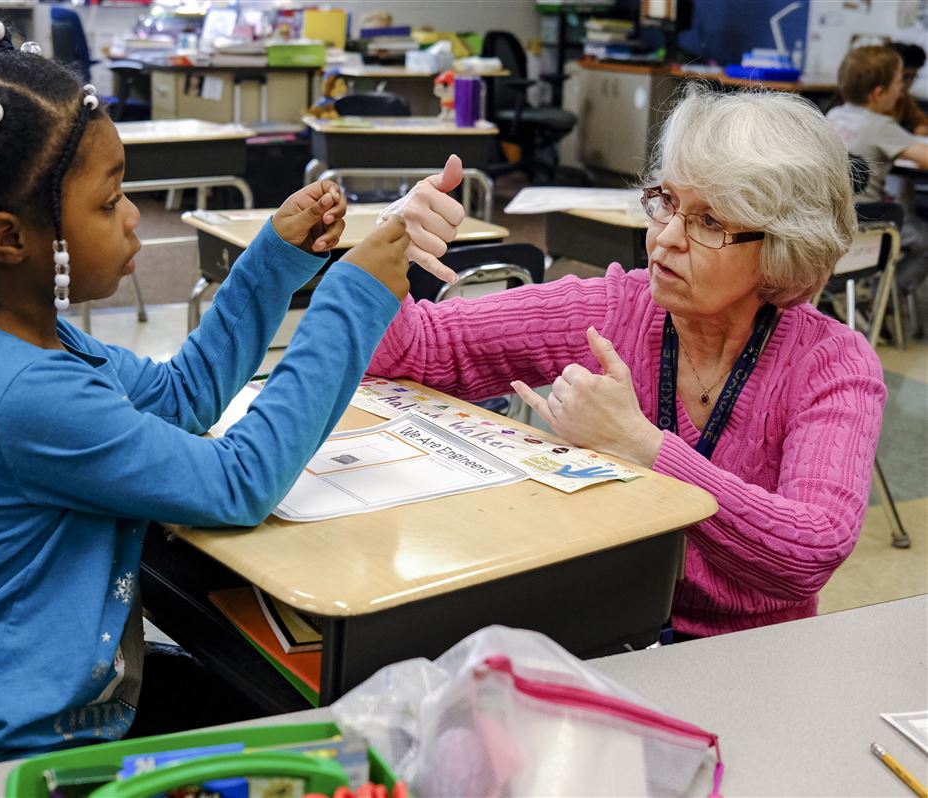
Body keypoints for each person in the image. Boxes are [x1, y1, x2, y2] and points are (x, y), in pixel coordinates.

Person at [0, 21, 464, 779]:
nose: (133, 216)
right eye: (109, 203)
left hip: (40, 709)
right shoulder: (24, 391)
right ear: (10, 239)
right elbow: (238, 484)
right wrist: (351, 299)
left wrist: (275, 260)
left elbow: (181, 394)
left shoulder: (28, 340)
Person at [367, 86, 887, 639]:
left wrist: (641, 445)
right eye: (665, 201)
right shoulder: (617, 308)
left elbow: (810, 551)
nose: (664, 238)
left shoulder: (831, 363)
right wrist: (386, 244)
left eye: (709, 222)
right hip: (603, 623)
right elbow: (410, 351)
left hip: (747, 650)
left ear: (783, 248)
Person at [826, 45, 928, 304]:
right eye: (898, 82)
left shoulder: (833, 115)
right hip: (864, 227)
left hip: (828, 221)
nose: (902, 89)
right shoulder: (880, 125)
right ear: (878, 93)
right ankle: (880, 300)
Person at [887, 41, 928, 135]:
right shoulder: (868, 100)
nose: (910, 83)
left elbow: (921, 121)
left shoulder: (903, 99)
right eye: (905, 76)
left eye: (913, 77)